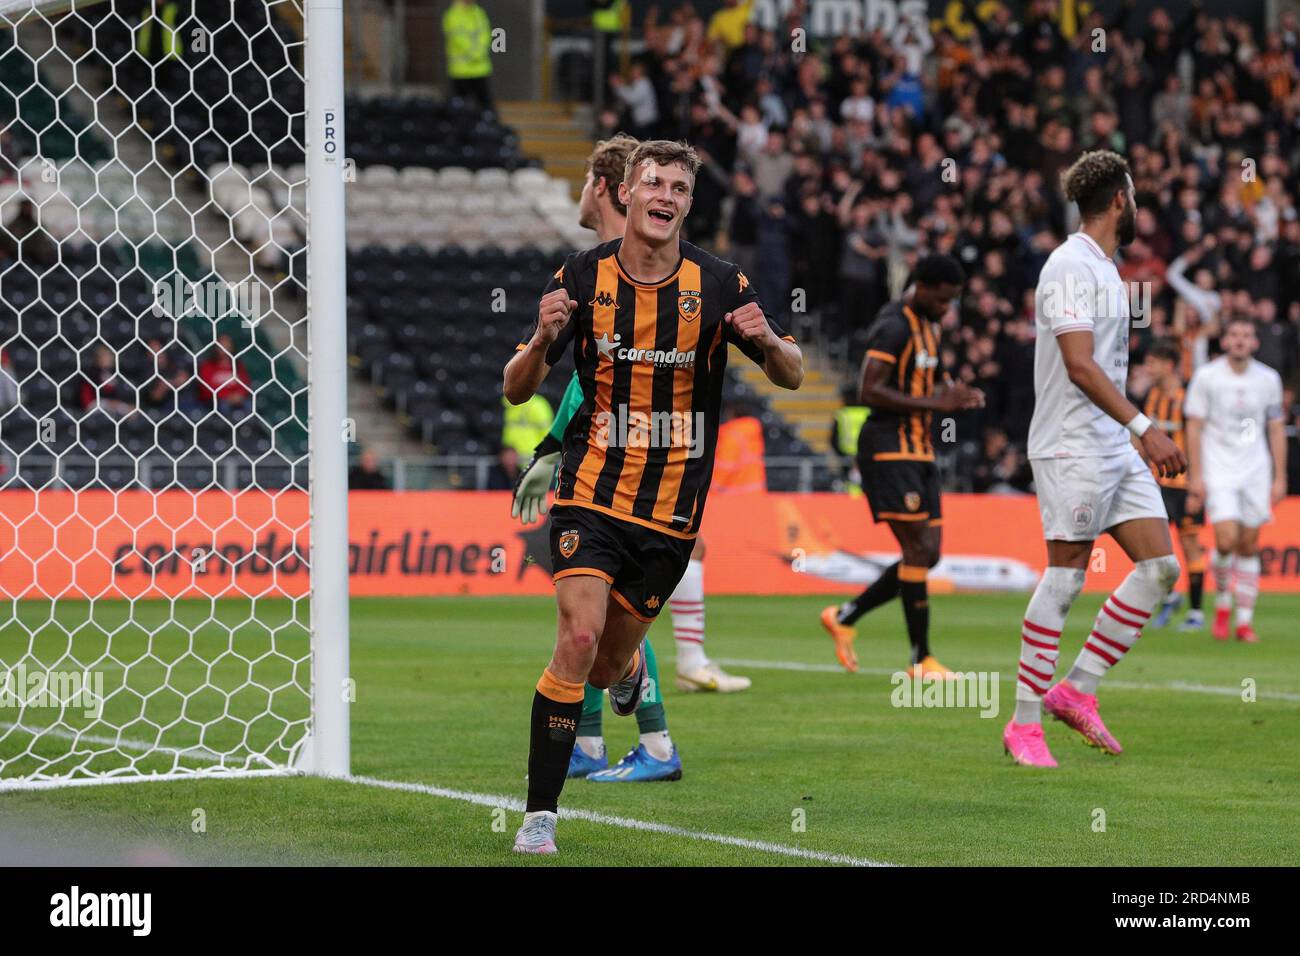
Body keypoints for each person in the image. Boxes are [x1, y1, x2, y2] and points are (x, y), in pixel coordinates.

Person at [503, 138, 802, 853]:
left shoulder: (722, 285)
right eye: (655, 183)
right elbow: (517, 387)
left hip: (670, 511)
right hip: (590, 489)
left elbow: (790, 374)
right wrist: (541, 340)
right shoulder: (581, 275)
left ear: (688, 204)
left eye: (679, 188)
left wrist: (772, 344)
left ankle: (630, 672)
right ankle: (539, 817)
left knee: (606, 666)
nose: (666, 196)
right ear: (628, 192)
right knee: (576, 640)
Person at [1003, 151, 1185, 769]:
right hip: (1071, 445)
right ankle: (1024, 723)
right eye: (1134, 197)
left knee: (1162, 569)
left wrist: (1130, 435)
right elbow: (1079, 366)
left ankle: (1076, 689)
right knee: (1067, 576)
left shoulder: (1107, 269)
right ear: (1118, 201)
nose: (1138, 208)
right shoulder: (1068, 266)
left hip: (1112, 445)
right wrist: (1146, 427)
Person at [819, 255, 984, 678]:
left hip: (919, 449)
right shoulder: (893, 325)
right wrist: (936, 403)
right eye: (944, 300)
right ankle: (920, 658)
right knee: (915, 549)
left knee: (928, 553)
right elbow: (869, 389)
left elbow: (934, 376)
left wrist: (956, 393)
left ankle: (846, 617)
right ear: (923, 287)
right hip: (889, 449)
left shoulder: (929, 325)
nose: (948, 310)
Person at [1185, 317, 1288, 643]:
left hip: (1256, 468)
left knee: (1249, 544)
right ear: (1224, 341)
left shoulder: (1268, 379)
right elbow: (1194, 426)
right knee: (1226, 539)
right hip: (1219, 468)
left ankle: (1243, 622)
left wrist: (1279, 475)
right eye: (1234, 334)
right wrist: (1196, 476)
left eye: (1246, 335)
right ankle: (1223, 604)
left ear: (1255, 342)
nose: (1240, 340)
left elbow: (1275, 428)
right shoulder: (1207, 376)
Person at [1140, 338, 1207, 631]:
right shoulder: (1152, 396)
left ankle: (1196, 613)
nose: (1147, 368)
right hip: (1156, 484)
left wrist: (1197, 484)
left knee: (1190, 544)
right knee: (1152, 546)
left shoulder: (1188, 397)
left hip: (1184, 484)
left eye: (1152, 363)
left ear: (1168, 365)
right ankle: (1169, 596)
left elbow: (1198, 442)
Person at [442, 0, 493, 110]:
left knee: (485, 105)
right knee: (461, 108)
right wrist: (475, 53)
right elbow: (457, 38)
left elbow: (485, 33)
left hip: (480, 69)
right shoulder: (452, 15)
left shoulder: (479, 12)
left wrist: (479, 52)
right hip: (460, 71)